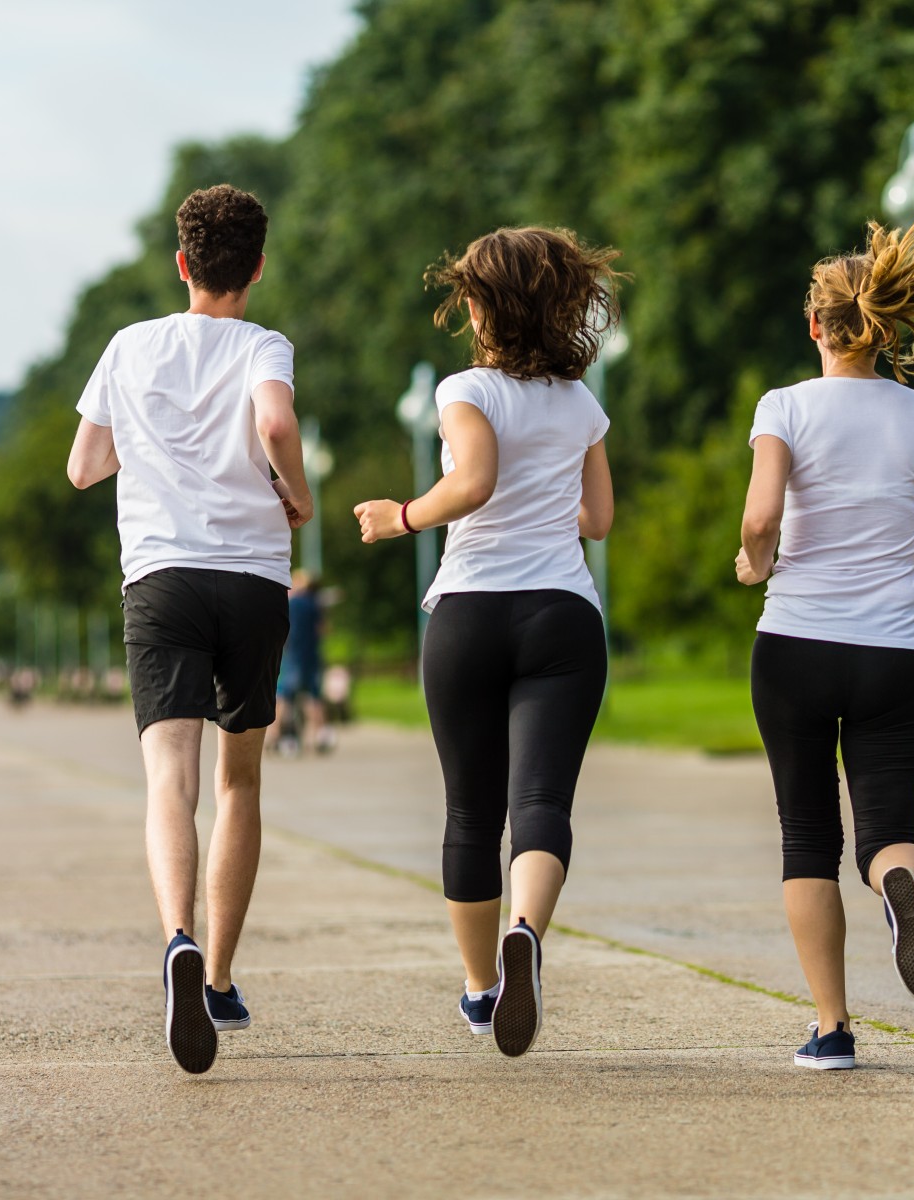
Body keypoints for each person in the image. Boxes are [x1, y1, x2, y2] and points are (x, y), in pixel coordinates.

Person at [355, 226, 620, 1058]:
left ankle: (481, 990)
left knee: (471, 813)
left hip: (469, 614)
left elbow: (473, 481)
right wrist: (551, 502)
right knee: (541, 804)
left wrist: (399, 517)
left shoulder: (465, 389)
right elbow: (599, 520)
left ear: (478, 305)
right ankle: (527, 929)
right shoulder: (582, 403)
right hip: (562, 617)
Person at [66, 183, 312, 1076]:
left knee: (169, 778)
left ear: (182, 265)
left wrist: (156, 436)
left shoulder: (129, 347)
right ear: (255, 267)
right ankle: (220, 980)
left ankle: (177, 940)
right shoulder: (263, 344)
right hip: (248, 577)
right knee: (238, 779)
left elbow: (83, 466)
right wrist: (297, 492)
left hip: (161, 577)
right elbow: (276, 420)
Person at [734, 218, 914, 1071]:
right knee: (887, 829)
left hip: (796, 644)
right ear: (888, 327)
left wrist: (753, 559)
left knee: (807, 838)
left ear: (815, 327)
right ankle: (897, 883)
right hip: (894, 653)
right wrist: (894, 548)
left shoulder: (785, 407)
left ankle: (832, 1030)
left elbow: (763, 515)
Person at [270, 570, 332, 756]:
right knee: (313, 696)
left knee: (283, 696)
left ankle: (274, 736)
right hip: (311, 655)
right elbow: (323, 629)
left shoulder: (291, 603)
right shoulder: (314, 604)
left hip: (291, 655)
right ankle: (319, 736)